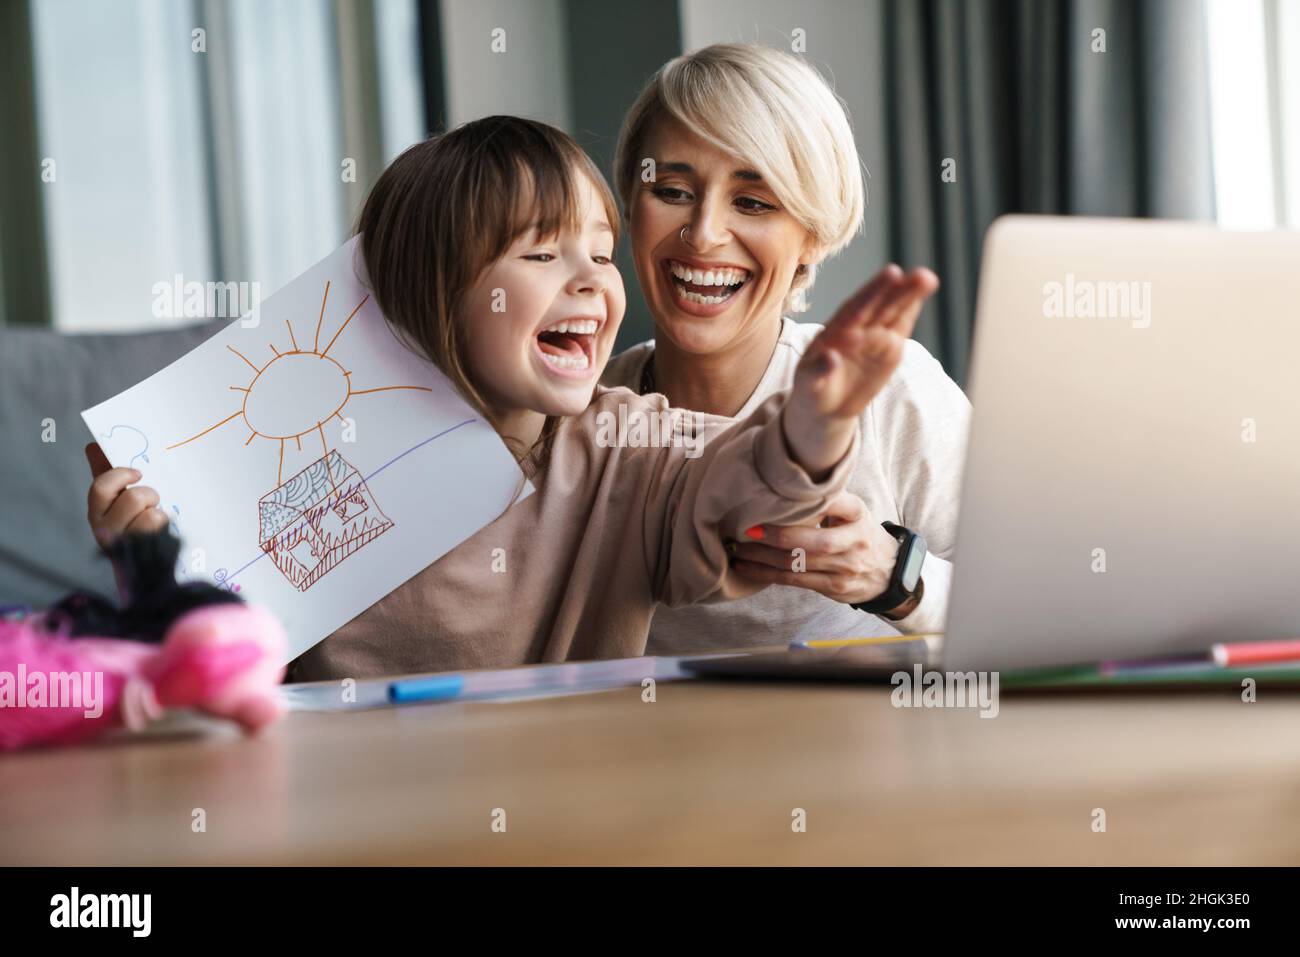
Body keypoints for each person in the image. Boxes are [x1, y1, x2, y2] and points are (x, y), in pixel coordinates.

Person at [84, 115, 939, 680]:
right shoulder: (311, 457)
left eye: (602, 254)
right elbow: (206, 671)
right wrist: (154, 564)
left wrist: (810, 424)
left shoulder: (626, 449)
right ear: (438, 291)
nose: (592, 283)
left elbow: (735, 491)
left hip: (563, 809)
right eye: (540, 256)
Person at [602, 43, 971, 652]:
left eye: (753, 202)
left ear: (813, 238)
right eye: (672, 189)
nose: (704, 234)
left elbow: (1032, 616)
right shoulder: (576, 415)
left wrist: (894, 577)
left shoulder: (891, 391)